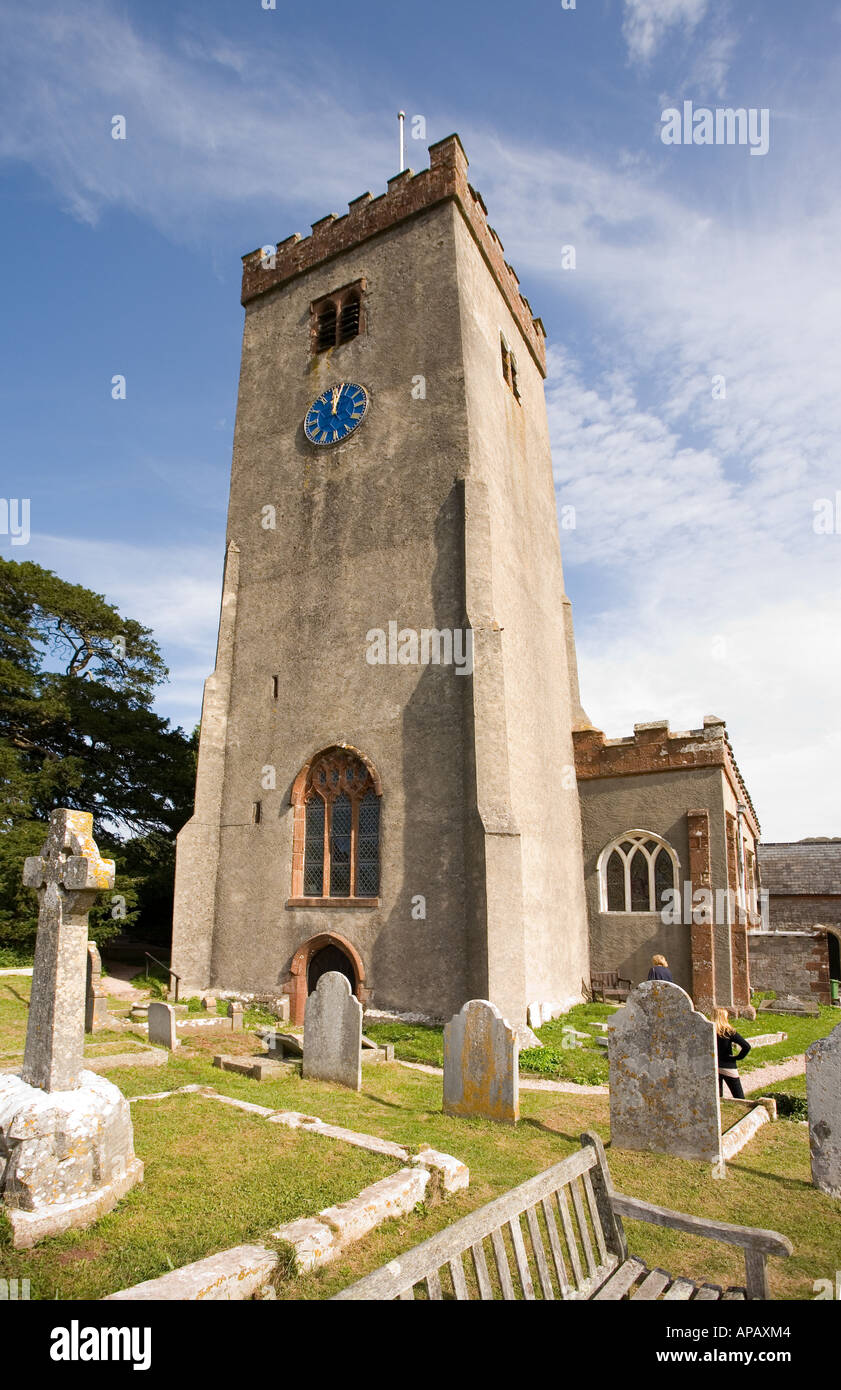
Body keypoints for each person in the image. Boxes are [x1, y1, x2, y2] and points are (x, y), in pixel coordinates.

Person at [714, 1008, 751, 1099]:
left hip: (713, 1065)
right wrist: (737, 1057)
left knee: (717, 1097)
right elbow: (746, 1046)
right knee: (739, 1096)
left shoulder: (708, 1030)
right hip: (728, 1065)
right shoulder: (729, 1031)